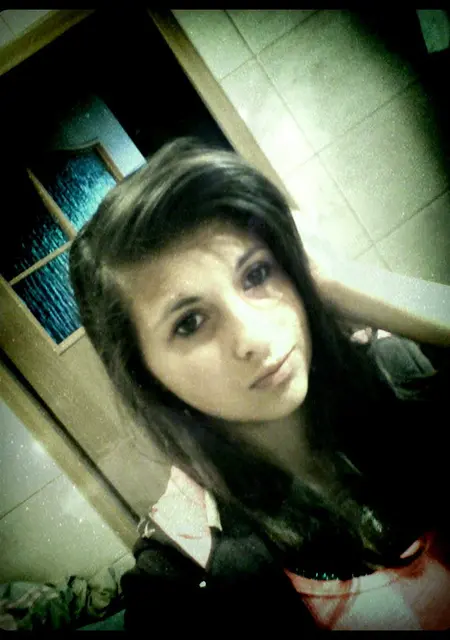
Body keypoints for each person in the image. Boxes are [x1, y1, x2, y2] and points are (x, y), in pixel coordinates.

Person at [69, 137, 450, 631]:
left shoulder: (397, 374)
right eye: (189, 322)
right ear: (147, 375)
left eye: (257, 274)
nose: (253, 336)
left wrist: (343, 282)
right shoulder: (189, 573)